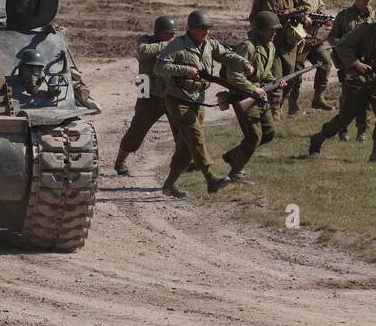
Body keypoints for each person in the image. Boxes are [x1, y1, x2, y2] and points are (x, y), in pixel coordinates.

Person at [153, 10, 252, 198]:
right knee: (197, 138)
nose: (206, 32)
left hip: (197, 100)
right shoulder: (177, 45)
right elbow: (159, 67)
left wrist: (244, 62)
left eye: (208, 28)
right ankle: (211, 180)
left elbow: (226, 55)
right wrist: (184, 70)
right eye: (203, 29)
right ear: (192, 29)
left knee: (186, 149)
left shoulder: (209, 44)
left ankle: (168, 186)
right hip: (178, 100)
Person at [308, 1, 376, 163]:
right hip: (356, 80)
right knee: (345, 118)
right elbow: (342, 46)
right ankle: (318, 138)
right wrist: (356, 64)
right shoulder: (364, 30)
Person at [220, 10, 283, 182]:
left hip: (260, 96)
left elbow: (264, 74)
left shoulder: (270, 46)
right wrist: (252, 89)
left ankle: (234, 155)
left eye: (275, 30)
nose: (274, 33)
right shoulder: (247, 47)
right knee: (254, 137)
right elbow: (234, 75)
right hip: (244, 96)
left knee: (269, 133)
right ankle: (235, 173)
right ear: (261, 30)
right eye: (271, 30)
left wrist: (276, 81)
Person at [111, 16, 178, 177]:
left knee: (182, 132)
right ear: (159, 33)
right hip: (147, 92)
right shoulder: (146, 40)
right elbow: (142, 51)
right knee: (137, 130)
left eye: (173, 34)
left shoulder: (176, 44)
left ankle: (184, 163)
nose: (172, 36)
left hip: (171, 93)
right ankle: (120, 162)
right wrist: (166, 45)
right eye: (168, 34)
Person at [248, 0, 304, 117]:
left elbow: (305, 7)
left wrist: (290, 13)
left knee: (290, 75)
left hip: (289, 40)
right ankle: (274, 109)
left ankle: (281, 103)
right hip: (270, 41)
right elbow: (253, 19)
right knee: (276, 76)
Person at [327, 0, 376, 142]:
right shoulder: (344, 16)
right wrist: (344, 45)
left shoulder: (375, 17)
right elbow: (332, 37)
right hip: (348, 63)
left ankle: (362, 131)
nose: (368, 1)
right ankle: (343, 128)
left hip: (368, 62)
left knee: (366, 97)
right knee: (348, 98)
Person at [287, 0, 335, 113]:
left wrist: (324, 17)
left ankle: (318, 99)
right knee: (297, 73)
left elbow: (320, 6)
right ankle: (292, 105)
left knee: (326, 63)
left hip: (315, 37)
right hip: (300, 39)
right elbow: (289, 11)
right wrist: (302, 17)